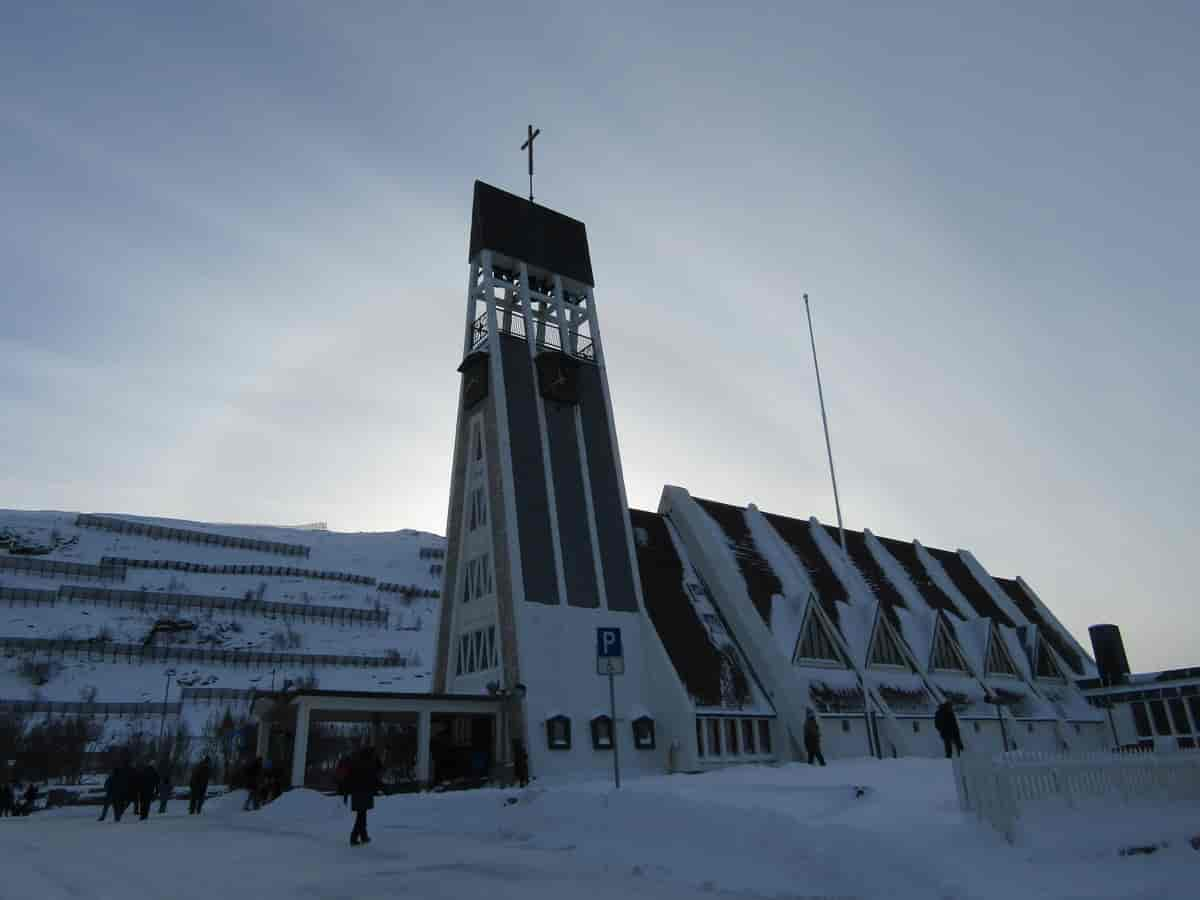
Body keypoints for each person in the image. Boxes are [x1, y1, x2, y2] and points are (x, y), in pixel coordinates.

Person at [347, 747, 380, 847]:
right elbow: (375, 775)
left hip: (357, 792)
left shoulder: (358, 761)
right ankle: (354, 837)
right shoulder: (368, 763)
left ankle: (363, 836)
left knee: (362, 815)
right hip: (363, 792)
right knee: (361, 816)